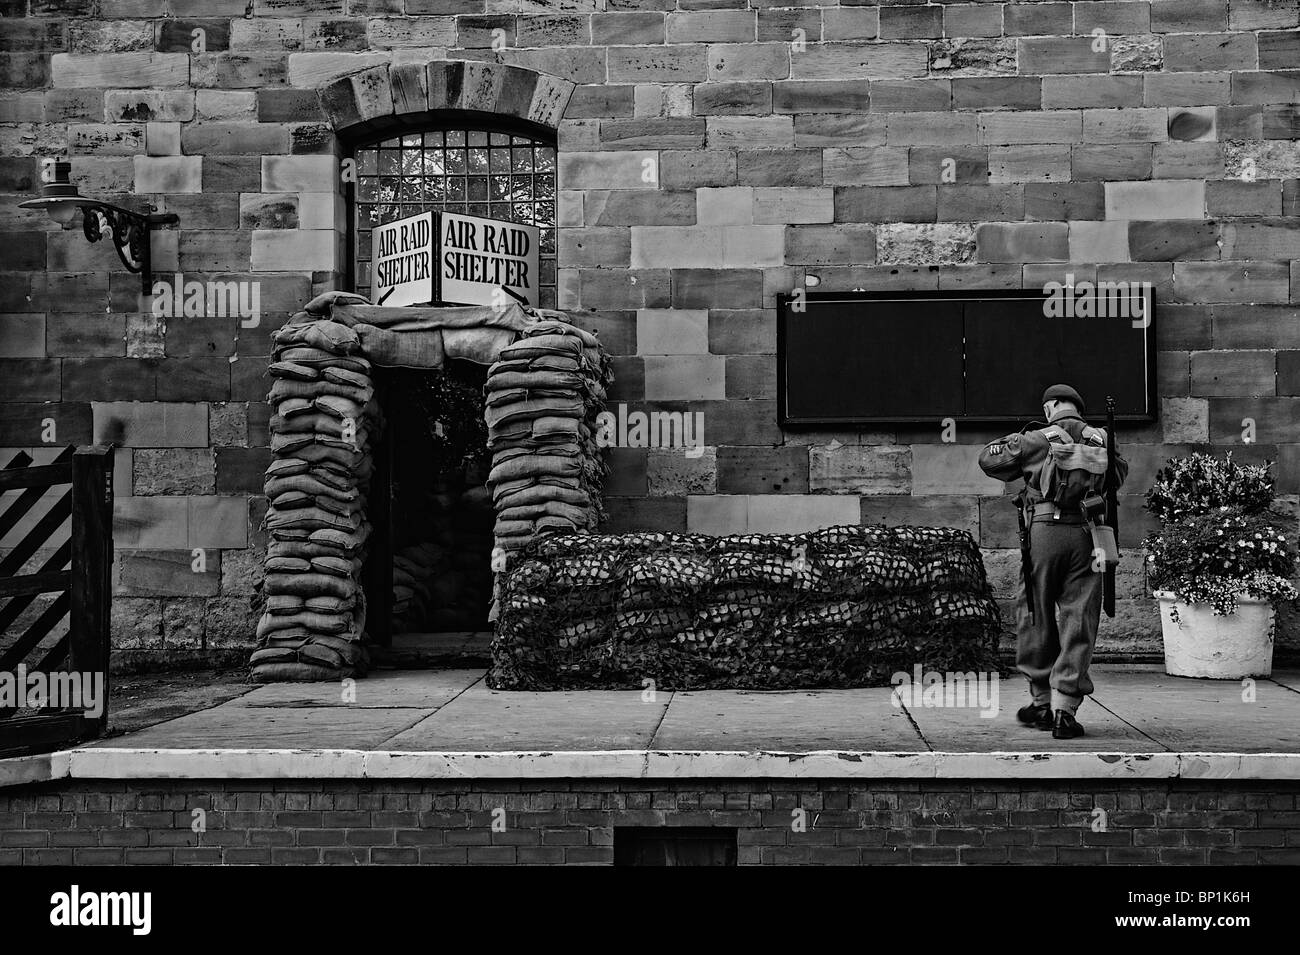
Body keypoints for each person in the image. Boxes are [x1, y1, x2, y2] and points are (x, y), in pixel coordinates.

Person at [978, 384, 1128, 739]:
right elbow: (1118, 478)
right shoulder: (1100, 438)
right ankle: (1065, 710)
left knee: (1034, 610)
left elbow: (989, 459)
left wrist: (1022, 443)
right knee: (1080, 617)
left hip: (1044, 533)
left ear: (1052, 407)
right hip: (1090, 534)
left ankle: (1040, 701)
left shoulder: (1038, 437)